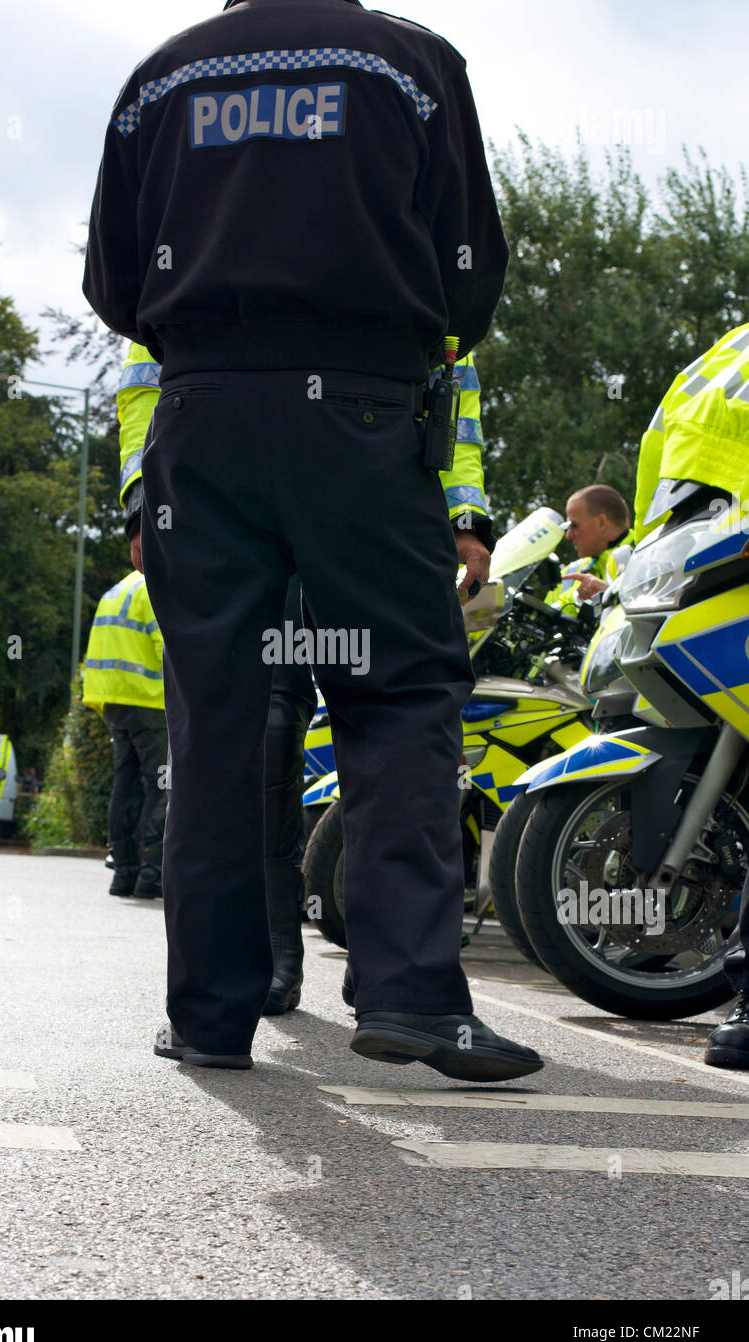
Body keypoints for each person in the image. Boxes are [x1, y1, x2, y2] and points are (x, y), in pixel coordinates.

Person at [84, 0, 542, 1080]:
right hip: (361, 417)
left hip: (201, 425)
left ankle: (208, 1014)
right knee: (396, 694)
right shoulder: (411, 64)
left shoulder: (161, 75)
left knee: (217, 720)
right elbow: (469, 264)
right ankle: (410, 995)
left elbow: (113, 282)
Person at [116, 339, 492, 1014]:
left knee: (394, 716)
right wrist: (143, 490)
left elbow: (456, 377)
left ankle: (388, 962)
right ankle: (276, 949)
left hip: (381, 477)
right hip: (250, 482)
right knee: (272, 728)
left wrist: (466, 512)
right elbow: (146, 366)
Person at [619, 322, 749, 1067]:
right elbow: (652, 456)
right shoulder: (727, 350)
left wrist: (645, 542)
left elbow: (648, 460)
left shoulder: (721, 350)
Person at [83, 571, 168, 899]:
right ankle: (150, 870)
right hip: (149, 699)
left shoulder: (114, 591)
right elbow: (168, 646)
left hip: (113, 701)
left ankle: (123, 871)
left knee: (126, 783)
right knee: (161, 783)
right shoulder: (155, 586)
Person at [545, 484, 633, 613]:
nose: (568, 535)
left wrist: (610, 598)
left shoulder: (644, 557)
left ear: (601, 523)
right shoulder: (570, 573)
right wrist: (577, 598)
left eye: (573, 525)